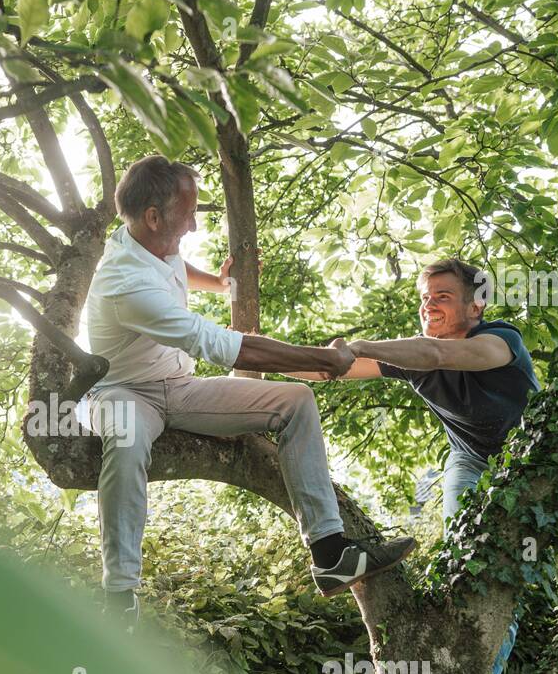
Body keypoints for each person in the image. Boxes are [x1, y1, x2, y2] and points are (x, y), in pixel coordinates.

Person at [84, 155, 415, 624]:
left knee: (295, 401)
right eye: (188, 214)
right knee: (126, 439)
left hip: (178, 386)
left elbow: (176, 264)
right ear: (153, 216)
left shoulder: (148, 239)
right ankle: (119, 596)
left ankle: (330, 554)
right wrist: (322, 359)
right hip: (122, 392)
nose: (195, 225)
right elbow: (222, 346)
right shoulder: (123, 282)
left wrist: (219, 283)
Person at [284, 258, 540, 674]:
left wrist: (361, 343)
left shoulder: (501, 340)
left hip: (531, 465)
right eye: (424, 298)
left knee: (518, 578)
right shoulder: (412, 359)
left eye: (441, 297)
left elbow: (439, 354)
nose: (428, 306)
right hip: (471, 461)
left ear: (476, 304)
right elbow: (325, 370)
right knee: (470, 561)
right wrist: (248, 356)